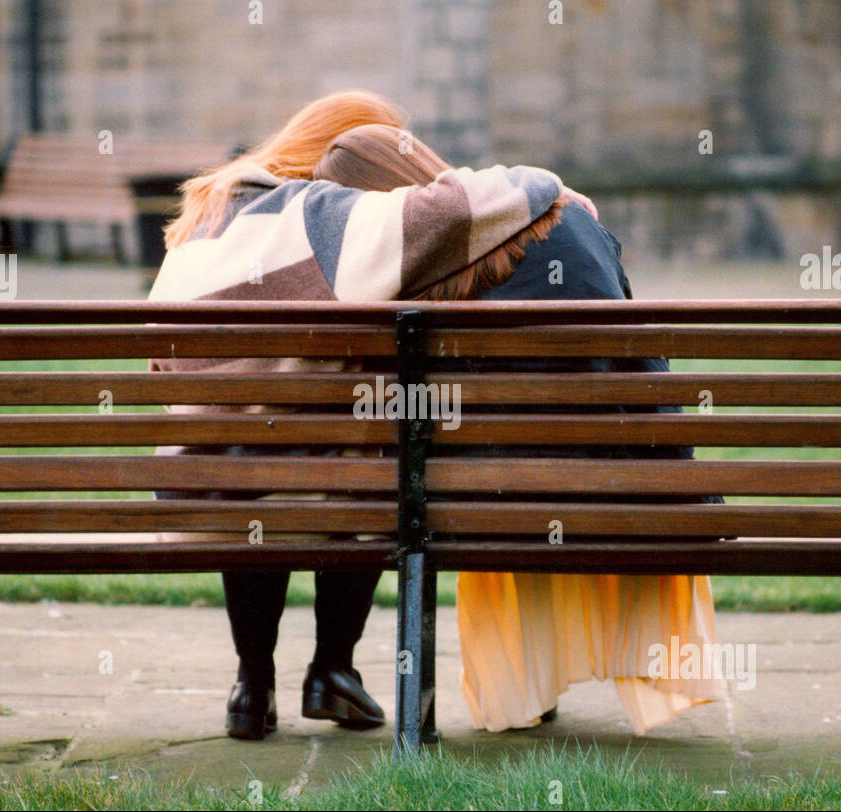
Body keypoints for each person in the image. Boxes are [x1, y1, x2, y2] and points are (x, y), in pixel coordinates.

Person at [149, 91, 573, 740]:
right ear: (343, 155)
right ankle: (332, 667)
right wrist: (544, 185)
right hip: (290, 491)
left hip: (191, 496)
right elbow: (462, 207)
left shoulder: (196, 224)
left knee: (257, 446)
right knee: (368, 453)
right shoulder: (322, 216)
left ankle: (251, 685)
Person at [312, 124, 726, 733]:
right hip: (639, 493)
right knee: (561, 461)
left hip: (484, 511)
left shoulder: (397, 280)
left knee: (488, 476)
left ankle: (521, 686)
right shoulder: (570, 219)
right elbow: (644, 371)